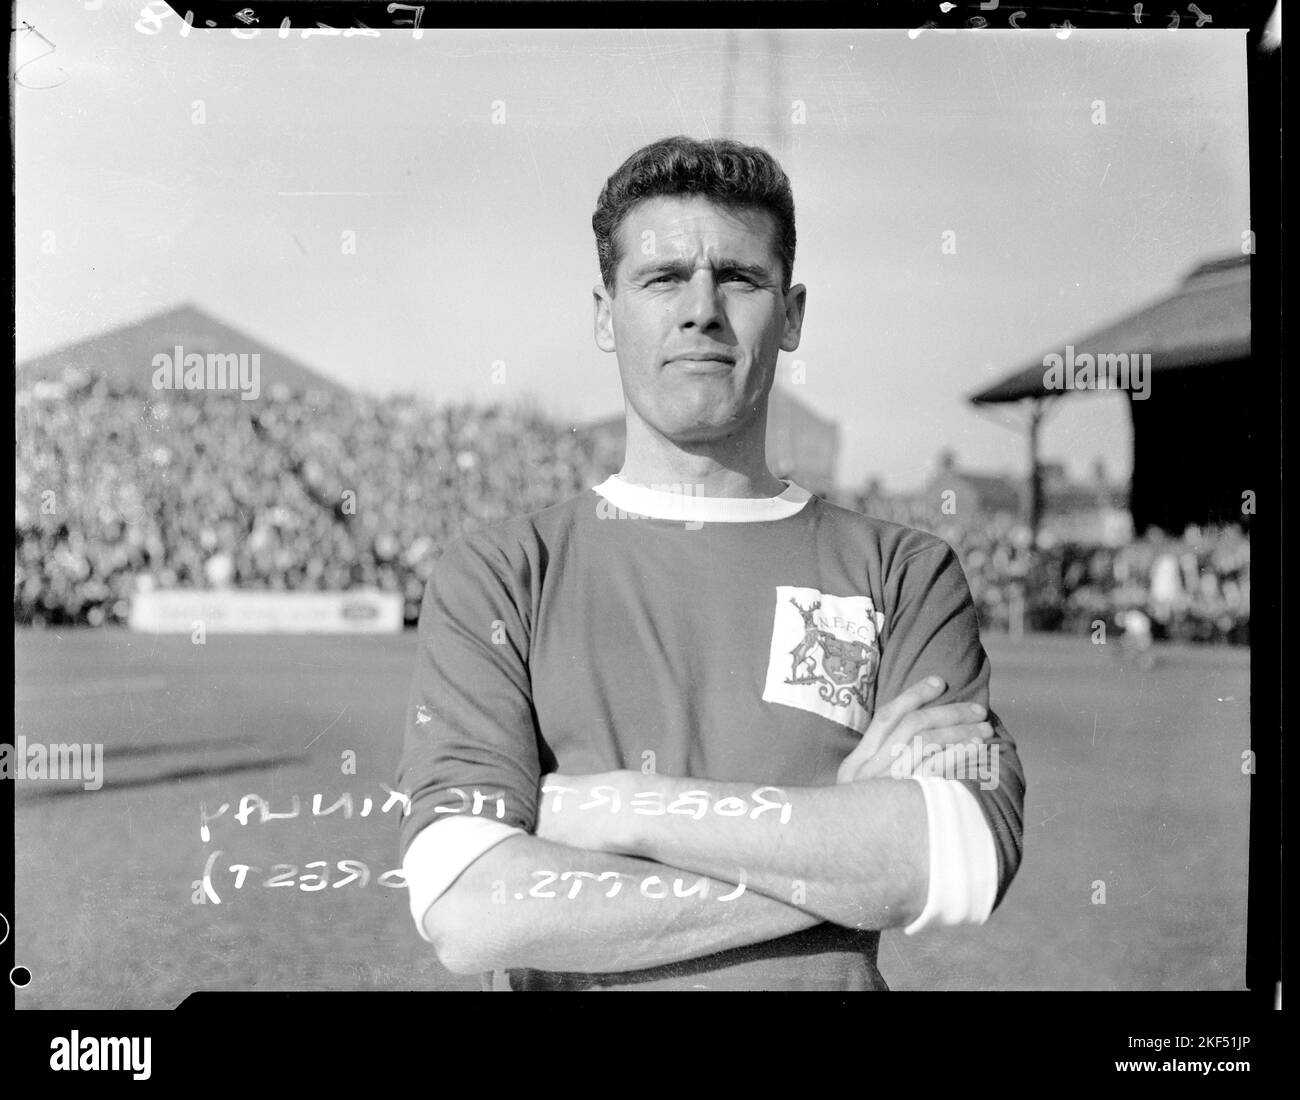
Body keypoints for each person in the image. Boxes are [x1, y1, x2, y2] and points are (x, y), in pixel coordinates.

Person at [396, 136, 1025, 990]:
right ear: (605, 312)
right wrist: (841, 843)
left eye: (739, 277)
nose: (703, 309)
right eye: (662, 279)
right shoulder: (502, 573)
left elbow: (957, 860)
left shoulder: (905, 572)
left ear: (793, 313)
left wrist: (610, 808)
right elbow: (473, 911)